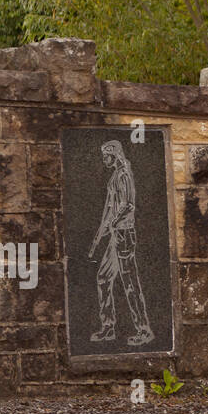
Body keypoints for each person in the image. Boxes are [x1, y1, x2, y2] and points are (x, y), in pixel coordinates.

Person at [88, 140, 154, 346]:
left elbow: (129, 205)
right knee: (103, 277)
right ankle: (108, 327)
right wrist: (101, 230)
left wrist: (113, 223)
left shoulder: (124, 175)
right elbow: (109, 207)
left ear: (114, 155)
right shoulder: (114, 176)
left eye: (106, 156)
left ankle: (143, 330)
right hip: (116, 234)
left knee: (130, 284)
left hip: (124, 234)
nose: (104, 159)